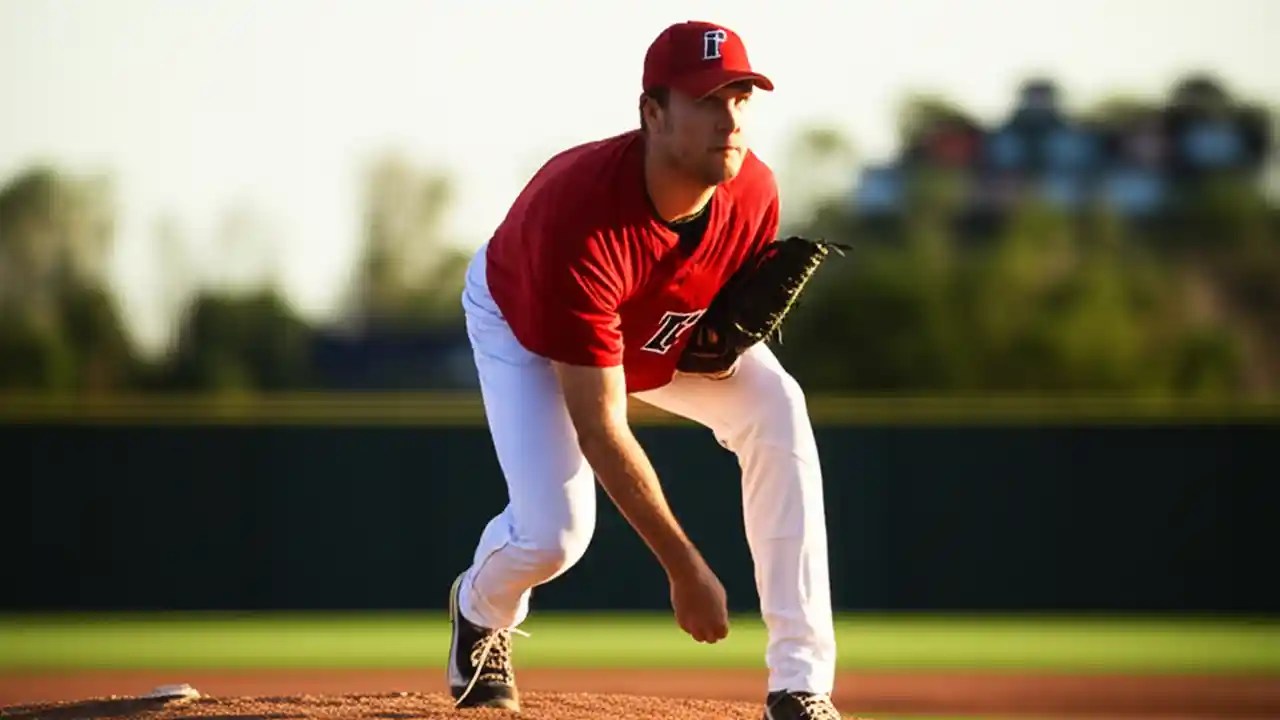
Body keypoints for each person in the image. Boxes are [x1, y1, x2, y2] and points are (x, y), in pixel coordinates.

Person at [447, 19, 842, 720]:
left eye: (742, 97)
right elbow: (601, 427)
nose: (732, 117)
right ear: (652, 113)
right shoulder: (583, 221)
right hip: (526, 321)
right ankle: (480, 609)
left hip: (646, 327)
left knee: (777, 403)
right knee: (552, 535)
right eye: (708, 99)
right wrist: (685, 568)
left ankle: (800, 682)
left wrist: (711, 335)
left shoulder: (754, 194)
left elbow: (701, 312)